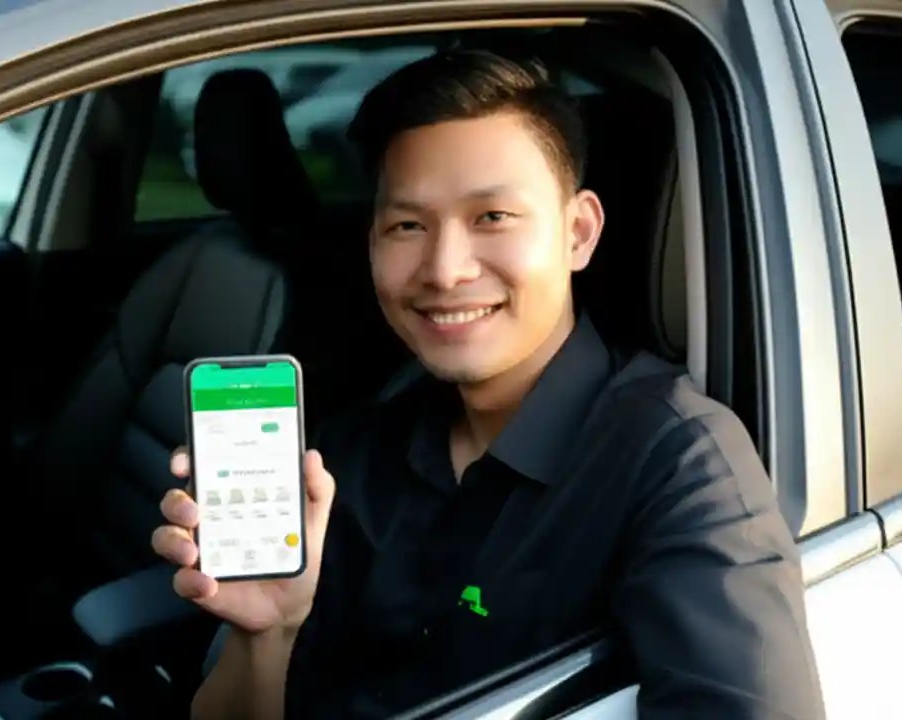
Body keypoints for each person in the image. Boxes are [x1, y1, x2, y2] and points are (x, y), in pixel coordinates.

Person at [151, 50, 825, 719]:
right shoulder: (354, 451)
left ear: (578, 233)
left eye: (492, 218)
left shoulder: (675, 460)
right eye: (408, 226)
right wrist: (264, 635)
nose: (444, 270)